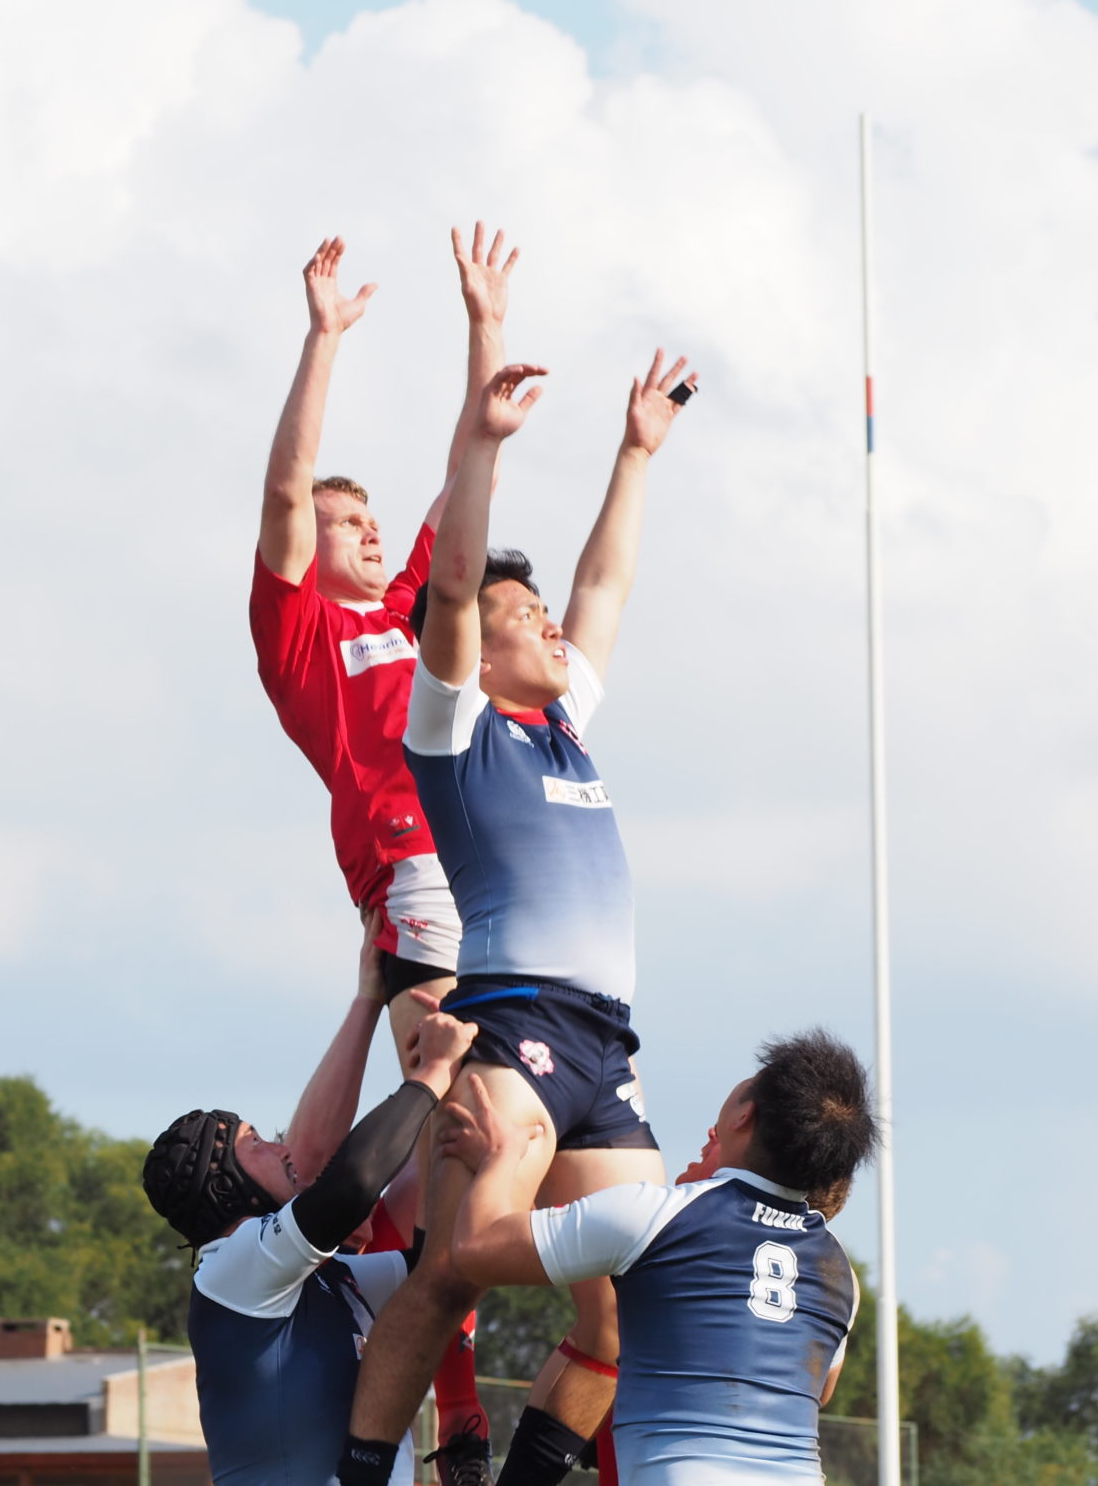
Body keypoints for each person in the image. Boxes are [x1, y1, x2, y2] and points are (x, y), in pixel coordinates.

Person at [334, 349, 698, 1486]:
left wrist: (634, 456)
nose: (551, 628)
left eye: (545, 616)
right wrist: (480, 442)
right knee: (452, 1270)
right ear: (479, 655)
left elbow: (606, 588)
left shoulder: (564, 726)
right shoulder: (457, 733)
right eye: (523, 617)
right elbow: (448, 590)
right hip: (515, 1024)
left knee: (624, 1317)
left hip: (606, 1043)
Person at [250, 226, 523, 1471]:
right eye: (337, 520)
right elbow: (280, 497)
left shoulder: (414, 612)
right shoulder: (305, 643)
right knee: (452, 1128)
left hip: (499, 883)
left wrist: (484, 330)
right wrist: (322, 340)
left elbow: (468, 471)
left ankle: (461, 1355)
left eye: (363, 516)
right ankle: (450, 1405)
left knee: (507, 1141)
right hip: (413, 895)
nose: (357, 531)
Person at [442, 1030, 881, 1483]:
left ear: (744, 1117)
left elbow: (477, 1250)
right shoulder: (839, 1271)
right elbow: (817, 1388)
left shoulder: (657, 1215)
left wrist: (502, 1157)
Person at [141, 913, 479, 1486]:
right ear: (225, 1183)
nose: (280, 1147)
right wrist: (433, 1074)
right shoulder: (230, 1269)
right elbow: (348, 1184)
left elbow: (435, 1265)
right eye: (258, 1144)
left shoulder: (327, 1278)